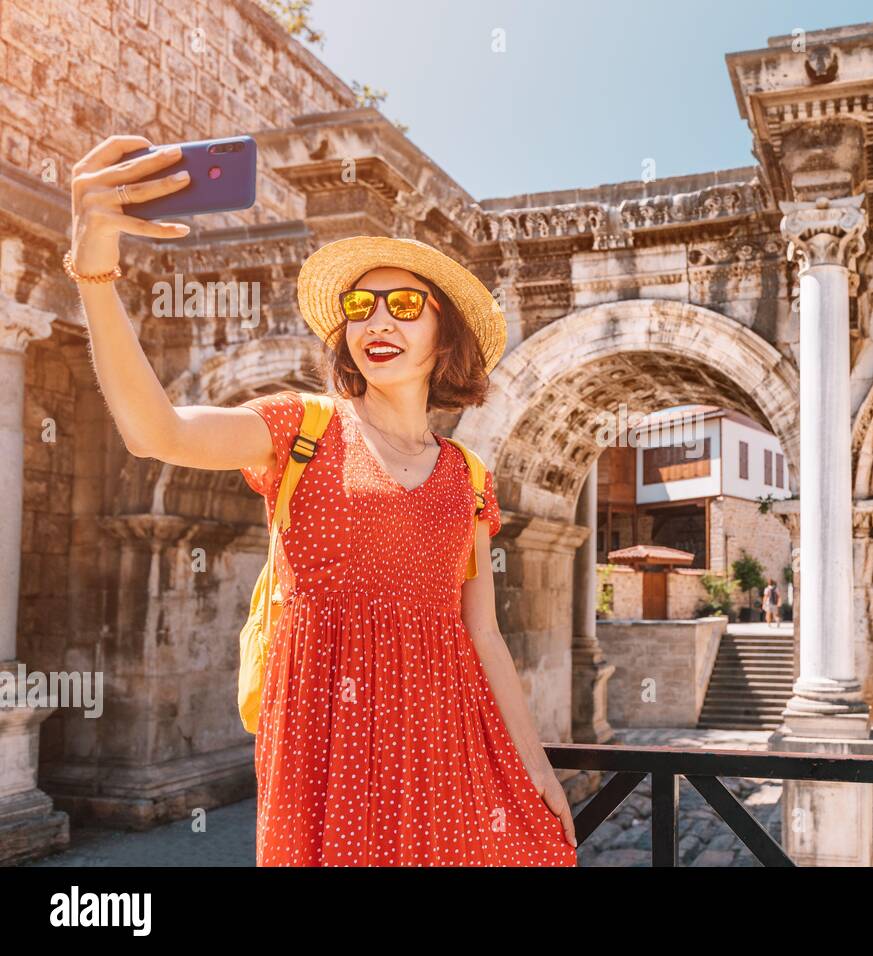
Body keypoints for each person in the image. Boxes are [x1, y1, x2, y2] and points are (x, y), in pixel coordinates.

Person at [66, 135, 576, 867]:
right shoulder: (298, 429)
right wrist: (95, 277)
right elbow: (156, 432)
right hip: (325, 746)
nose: (378, 321)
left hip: (449, 740)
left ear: (445, 334)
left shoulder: (467, 475)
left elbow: (483, 635)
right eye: (361, 307)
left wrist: (533, 765)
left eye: (404, 304)